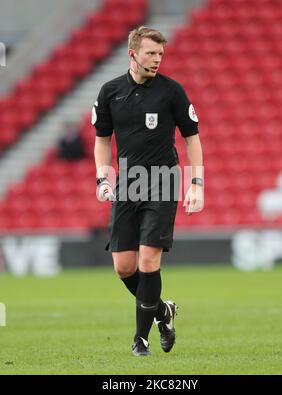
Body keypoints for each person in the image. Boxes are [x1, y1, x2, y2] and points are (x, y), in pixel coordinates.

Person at [92, 26, 204, 356]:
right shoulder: (110, 92)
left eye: (160, 54)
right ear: (132, 54)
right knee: (124, 267)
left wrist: (196, 183)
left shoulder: (171, 92)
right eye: (150, 54)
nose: (156, 60)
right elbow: (102, 140)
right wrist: (102, 177)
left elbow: (192, 139)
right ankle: (161, 312)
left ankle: (140, 340)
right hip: (128, 181)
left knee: (147, 259)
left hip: (164, 179)